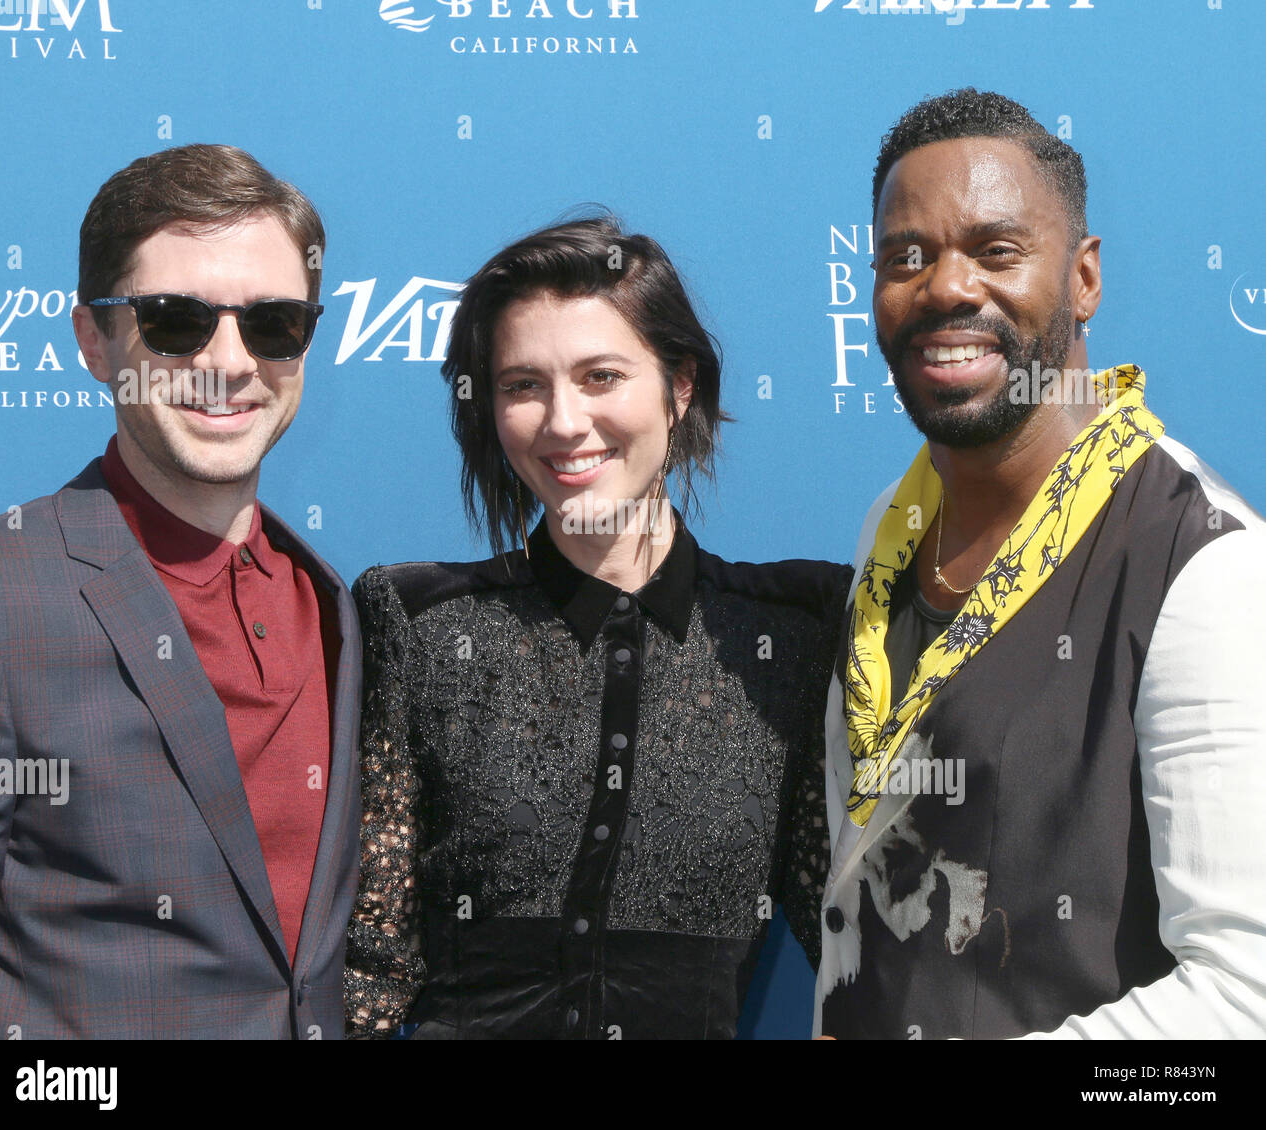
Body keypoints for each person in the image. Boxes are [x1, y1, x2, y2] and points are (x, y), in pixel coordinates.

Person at [815, 89, 1266, 1039]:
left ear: (1085, 278)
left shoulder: (1201, 564)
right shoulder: (887, 535)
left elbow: (1243, 999)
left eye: (995, 251)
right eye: (908, 255)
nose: (945, 287)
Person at [345, 217, 851, 1039]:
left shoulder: (790, 632)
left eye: (601, 376)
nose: (564, 421)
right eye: (523, 385)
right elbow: (370, 961)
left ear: (680, 385)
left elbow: (849, 935)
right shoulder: (422, 625)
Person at [0, 144, 361, 1039]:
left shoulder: (335, 604)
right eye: (176, 320)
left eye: (274, 325)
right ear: (94, 341)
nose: (229, 361)